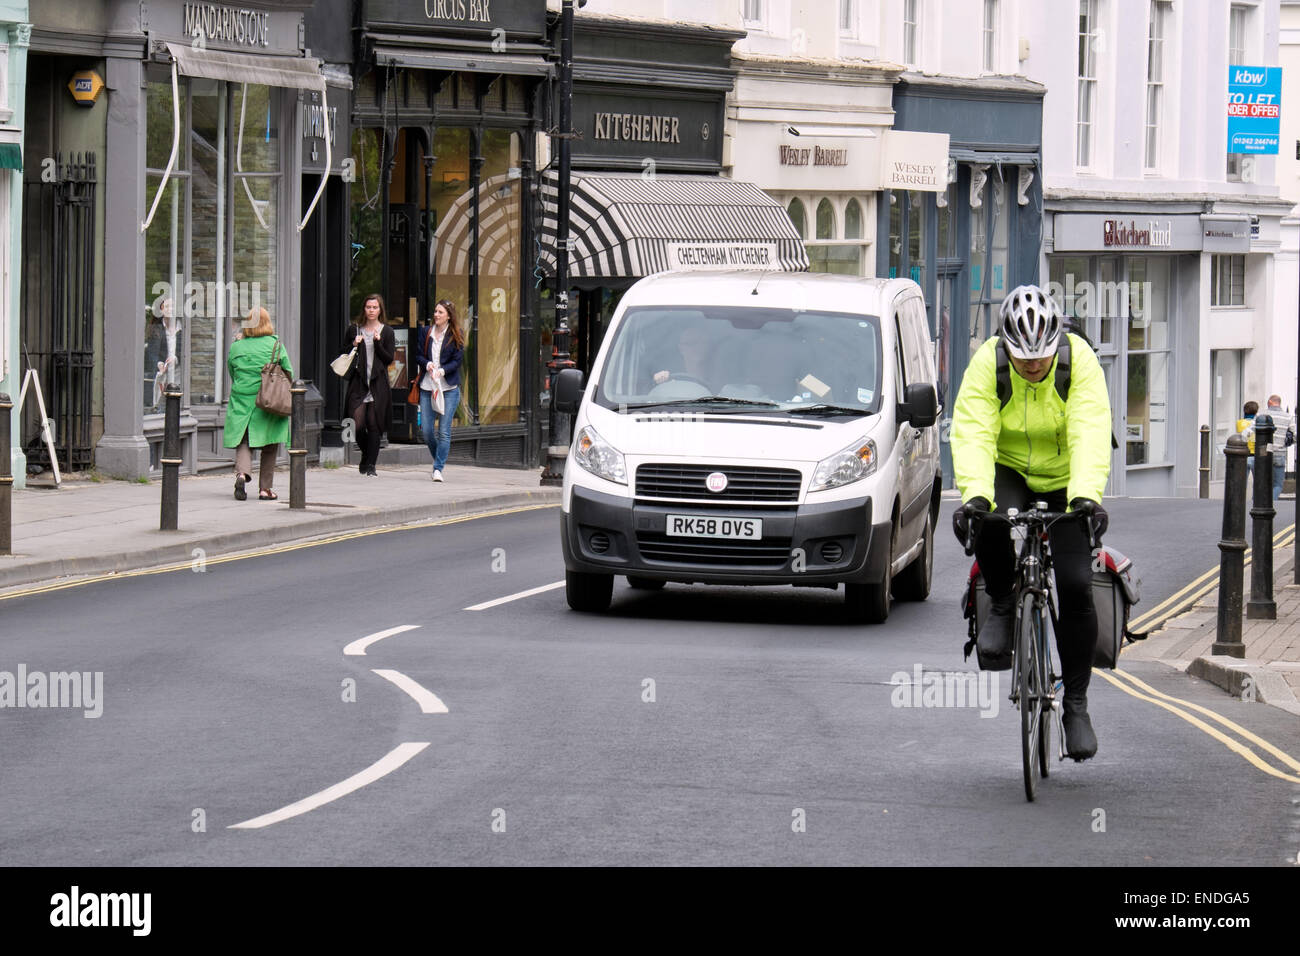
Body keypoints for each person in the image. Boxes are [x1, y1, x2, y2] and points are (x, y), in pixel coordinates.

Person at [950, 285, 1112, 761]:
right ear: (1008, 348)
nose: (1034, 368)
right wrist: (975, 497)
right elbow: (975, 429)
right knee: (991, 522)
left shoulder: (1077, 361)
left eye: (1040, 359)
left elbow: (1089, 426)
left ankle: (1076, 706)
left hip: (1065, 479)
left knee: (1078, 585)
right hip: (1010, 469)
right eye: (1025, 361)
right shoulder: (988, 363)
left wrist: (1086, 497)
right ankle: (1002, 600)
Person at [224, 307, 293, 501]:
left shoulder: (237, 346)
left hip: (242, 398)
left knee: (244, 441)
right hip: (268, 399)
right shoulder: (275, 345)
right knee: (270, 444)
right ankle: (265, 490)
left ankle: (242, 474)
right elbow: (289, 372)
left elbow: (232, 370)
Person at [343, 294, 396, 477]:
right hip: (358, 382)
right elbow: (343, 354)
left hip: (378, 383)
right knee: (355, 424)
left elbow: (389, 359)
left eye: (375, 307)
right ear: (364, 309)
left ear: (380, 310)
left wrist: (378, 343)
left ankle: (371, 465)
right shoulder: (354, 330)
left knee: (374, 424)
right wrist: (353, 344)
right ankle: (366, 455)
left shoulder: (387, 331)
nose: (371, 311)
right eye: (368, 307)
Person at [415, 299, 464, 482]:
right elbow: (418, 354)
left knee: (444, 431)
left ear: (449, 316)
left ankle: (438, 468)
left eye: (440, 312)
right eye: (435, 311)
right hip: (428, 387)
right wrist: (427, 364)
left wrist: (442, 371)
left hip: (448, 388)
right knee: (427, 431)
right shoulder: (426, 332)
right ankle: (439, 458)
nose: (436, 315)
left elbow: (457, 360)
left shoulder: (456, 334)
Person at [143, 297, 183, 412]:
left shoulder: (183, 327)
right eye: (167, 306)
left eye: (173, 306)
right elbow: (152, 351)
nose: (170, 309)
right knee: (160, 401)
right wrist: (159, 363)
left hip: (178, 371)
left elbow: (185, 348)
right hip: (162, 372)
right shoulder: (156, 328)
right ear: (161, 310)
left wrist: (175, 358)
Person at [1259, 396, 1294, 500]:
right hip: (1279, 452)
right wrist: (1288, 442)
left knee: (1262, 482)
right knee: (1278, 484)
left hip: (1263, 451)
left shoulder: (1261, 414)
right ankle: (1271, 503)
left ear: (1270, 402)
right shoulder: (1288, 417)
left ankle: (1260, 503)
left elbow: (1251, 430)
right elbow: (1295, 434)